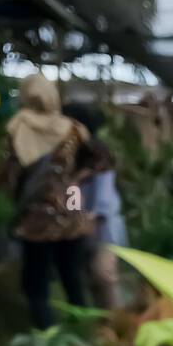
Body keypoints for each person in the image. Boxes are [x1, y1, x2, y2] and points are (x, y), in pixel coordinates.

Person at [0, 73, 105, 329]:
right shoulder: (73, 128)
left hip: (37, 220)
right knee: (72, 278)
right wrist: (74, 179)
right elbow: (101, 159)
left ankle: (48, 341)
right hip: (71, 213)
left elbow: (9, 174)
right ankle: (84, 337)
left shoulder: (18, 127)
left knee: (37, 285)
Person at [62, 102, 127, 311]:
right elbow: (72, 196)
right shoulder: (70, 157)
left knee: (104, 275)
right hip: (82, 231)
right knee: (92, 282)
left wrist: (88, 218)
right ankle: (106, 331)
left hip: (103, 229)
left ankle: (119, 327)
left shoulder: (100, 156)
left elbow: (104, 200)